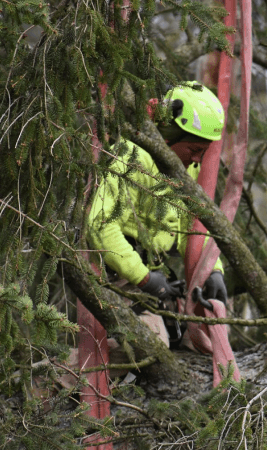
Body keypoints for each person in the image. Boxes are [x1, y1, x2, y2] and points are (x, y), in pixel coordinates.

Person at [87, 82, 228, 347]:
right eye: (194, 149)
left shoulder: (183, 168)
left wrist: (213, 271)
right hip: (119, 279)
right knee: (149, 344)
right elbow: (100, 226)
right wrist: (144, 278)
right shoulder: (131, 158)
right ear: (169, 135)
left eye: (203, 151)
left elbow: (192, 229)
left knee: (204, 341)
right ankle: (54, 381)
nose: (198, 159)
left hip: (153, 276)